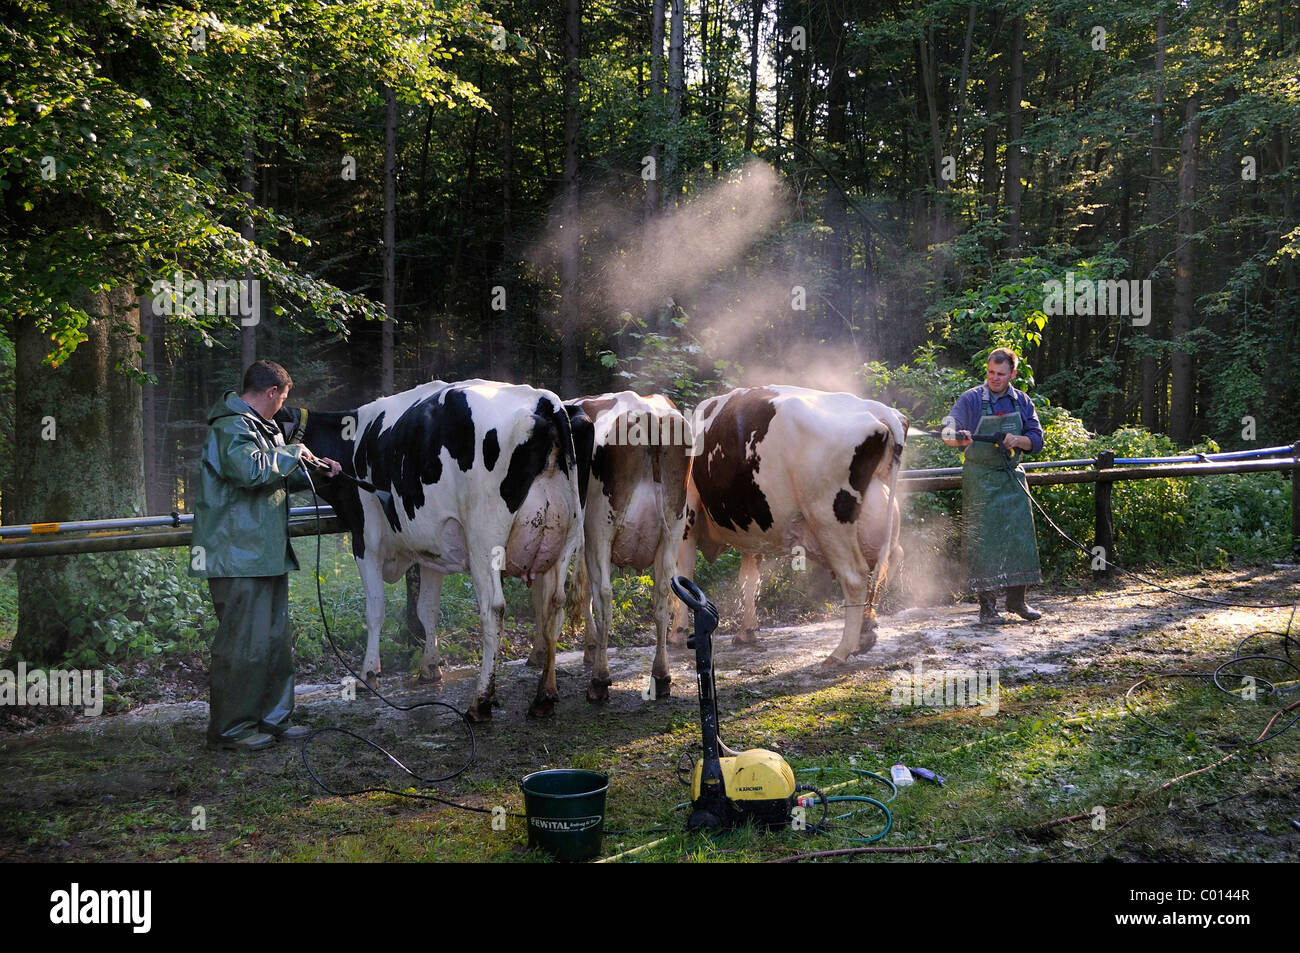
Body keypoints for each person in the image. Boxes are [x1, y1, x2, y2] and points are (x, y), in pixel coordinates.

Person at [190, 361, 340, 751]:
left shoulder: (262, 427)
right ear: (273, 391)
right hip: (236, 554)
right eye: (284, 398)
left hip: (264, 553)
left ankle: (274, 719)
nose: (283, 406)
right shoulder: (231, 426)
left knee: (273, 642)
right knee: (243, 645)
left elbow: (273, 477)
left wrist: (315, 470)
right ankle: (231, 729)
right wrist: (292, 453)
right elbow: (250, 471)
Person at [943, 348, 1044, 625]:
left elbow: (1036, 439)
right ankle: (987, 607)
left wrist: (1017, 440)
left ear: (1013, 374)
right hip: (981, 478)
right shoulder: (971, 399)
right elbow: (947, 431)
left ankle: (1017, 601)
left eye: (1000, 374)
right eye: (990, 373)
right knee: (984, 542)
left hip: (1012, 477)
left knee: (1019, 538)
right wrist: (958, 437)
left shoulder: (1022, 401)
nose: (994, 378)